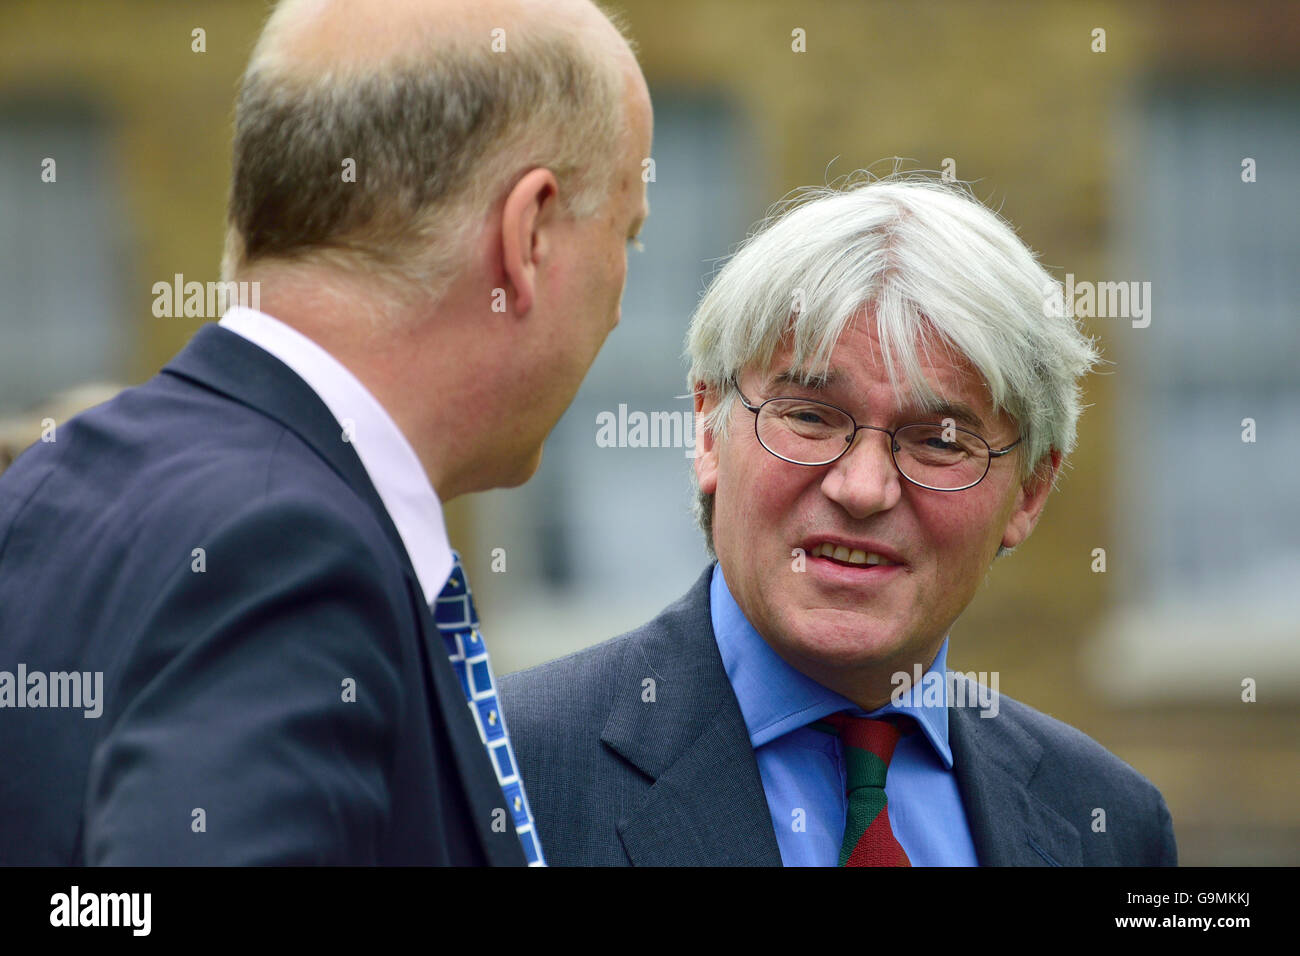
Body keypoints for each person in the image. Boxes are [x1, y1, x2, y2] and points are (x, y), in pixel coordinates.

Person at [0, 0, 651, 865]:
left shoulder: (49, 486)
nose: (618, 303)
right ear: (527, 234)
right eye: (628, 234)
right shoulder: (293, 553)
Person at [499, 175, 1178, 866]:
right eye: (810, 417)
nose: (863, 488)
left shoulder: (1110, 825)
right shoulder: (505, 775)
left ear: (1030, 491)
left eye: (939, 440)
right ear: (708, 430)